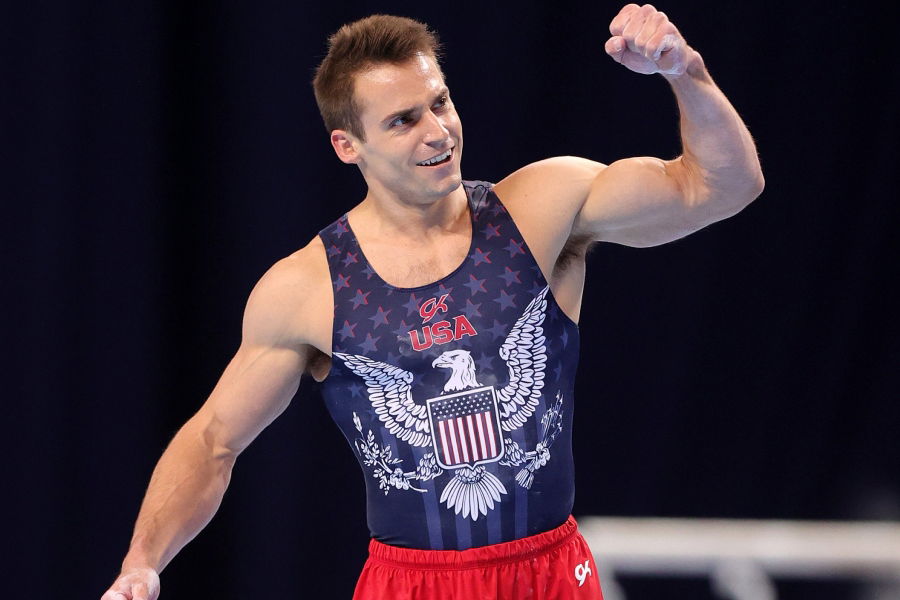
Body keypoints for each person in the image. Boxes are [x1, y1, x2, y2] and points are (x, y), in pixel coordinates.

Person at [101, 4, 763, 599]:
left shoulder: (539, 209)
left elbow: (721, 187)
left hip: (550, 574)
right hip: (410, 585)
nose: (438, 132)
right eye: (403, 120)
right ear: (347, 145)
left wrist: (686, 72)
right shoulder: (307, 289)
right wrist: (142, 563)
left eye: (440, 103)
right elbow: (214, 440)